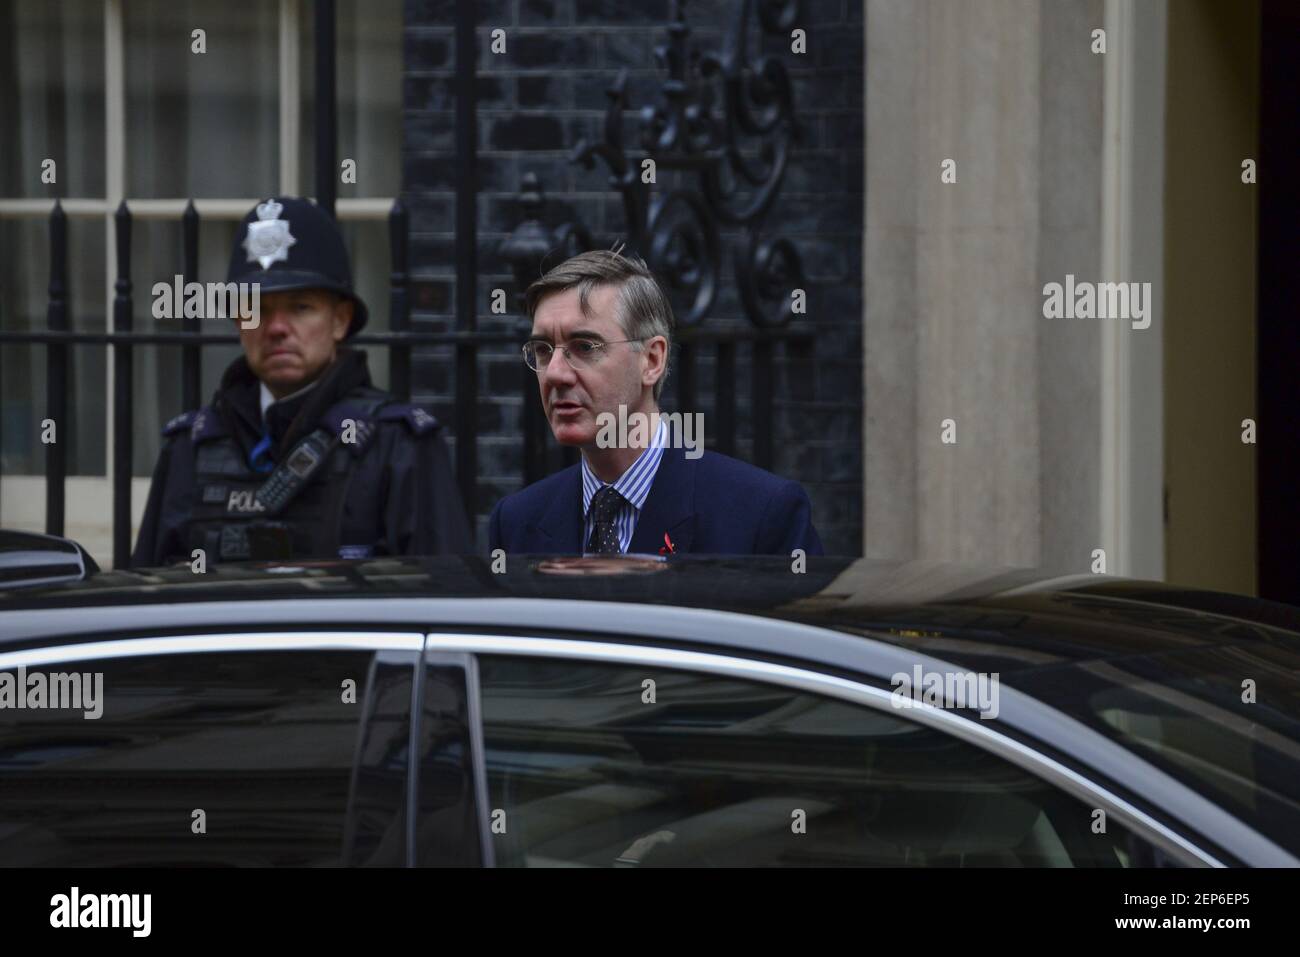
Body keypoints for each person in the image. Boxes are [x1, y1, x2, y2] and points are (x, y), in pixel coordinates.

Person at [132, 196, 472, 567]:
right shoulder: (189, 448)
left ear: (340, 320)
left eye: (300, 307)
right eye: (256, 309)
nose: (276, 328)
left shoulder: (399, 447)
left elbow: (444, 596)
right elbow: (148, 598)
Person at [489, 249, 823, 556]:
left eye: (585, 347)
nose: (555, 374)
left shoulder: (762, 515)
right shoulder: (517, 523)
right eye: (543, 350)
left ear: (651, 360)